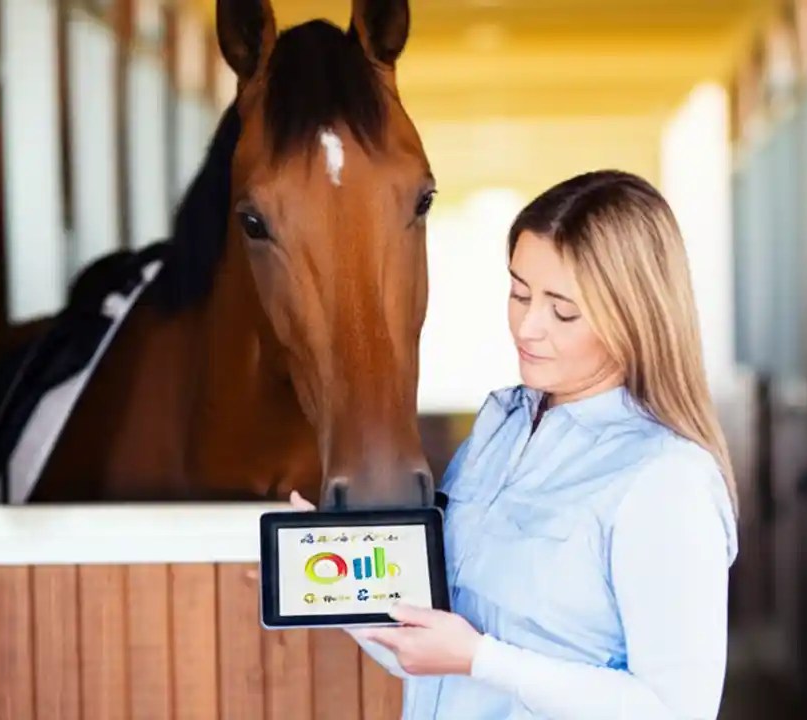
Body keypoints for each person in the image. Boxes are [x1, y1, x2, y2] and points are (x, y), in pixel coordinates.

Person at [290, 169, 739, 719]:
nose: (527, 327)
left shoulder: (667, 479)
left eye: (563, 310)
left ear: (634, 315)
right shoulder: (500, 429)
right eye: (519, 293)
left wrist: (482, 659)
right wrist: (323, 576)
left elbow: (674, 711)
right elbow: (433, 650)